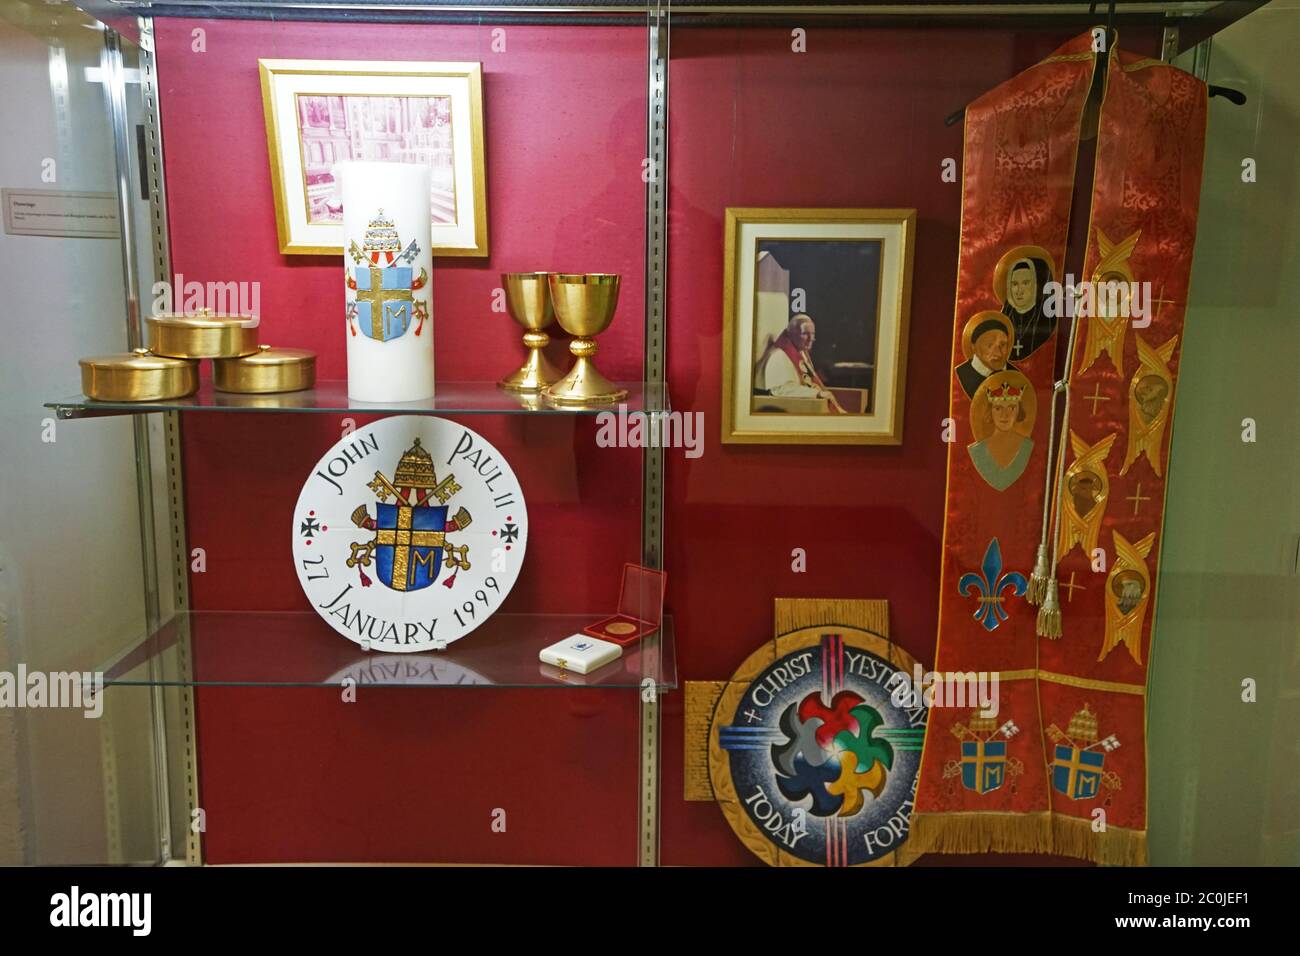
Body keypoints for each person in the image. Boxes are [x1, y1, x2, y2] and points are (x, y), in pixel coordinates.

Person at [754, 315, 845, 413]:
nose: (811, 338)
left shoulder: (802, 352)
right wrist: (817, 393)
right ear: (791, 334)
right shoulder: (778, 356)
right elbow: (781, 390)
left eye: (813, 334)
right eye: (805, 333)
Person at [966, 373, 1034, 491]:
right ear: (990, 412)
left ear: (1019, 411)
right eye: (998, 408)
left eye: (1011, 408)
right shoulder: (978, 450)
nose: (1005, 415)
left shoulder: (1026, 446)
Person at [1000, 257, 1056, 358]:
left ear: (1037, 285)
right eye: (1014, 284)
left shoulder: (1046, 320)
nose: (1019, 291)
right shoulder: (1004, 319)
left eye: (1025, 283)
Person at [955, 315, 1017, 399]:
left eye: (1002, 345)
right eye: (990, 345)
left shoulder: (1016, 375)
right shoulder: (961, 374)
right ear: (974, 347)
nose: (998, 353)